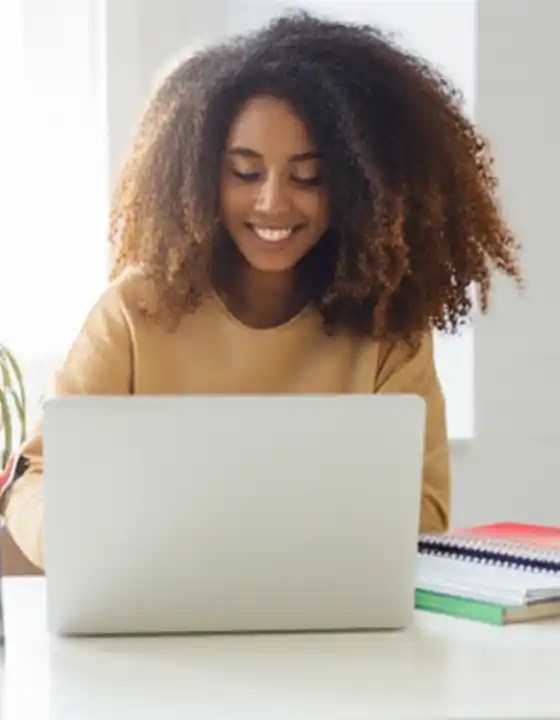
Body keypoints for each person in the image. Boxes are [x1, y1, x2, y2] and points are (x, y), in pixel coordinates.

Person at [0, 12, 520, 570]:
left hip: (329, 629)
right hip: (153, 619)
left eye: (308, 178)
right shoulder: (136, 310)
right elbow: (40, 475)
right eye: (245, 173)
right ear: (201, 176)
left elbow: (423, 517)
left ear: (359, 187)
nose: (273, 203)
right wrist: (80, 543)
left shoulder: (388, 330)